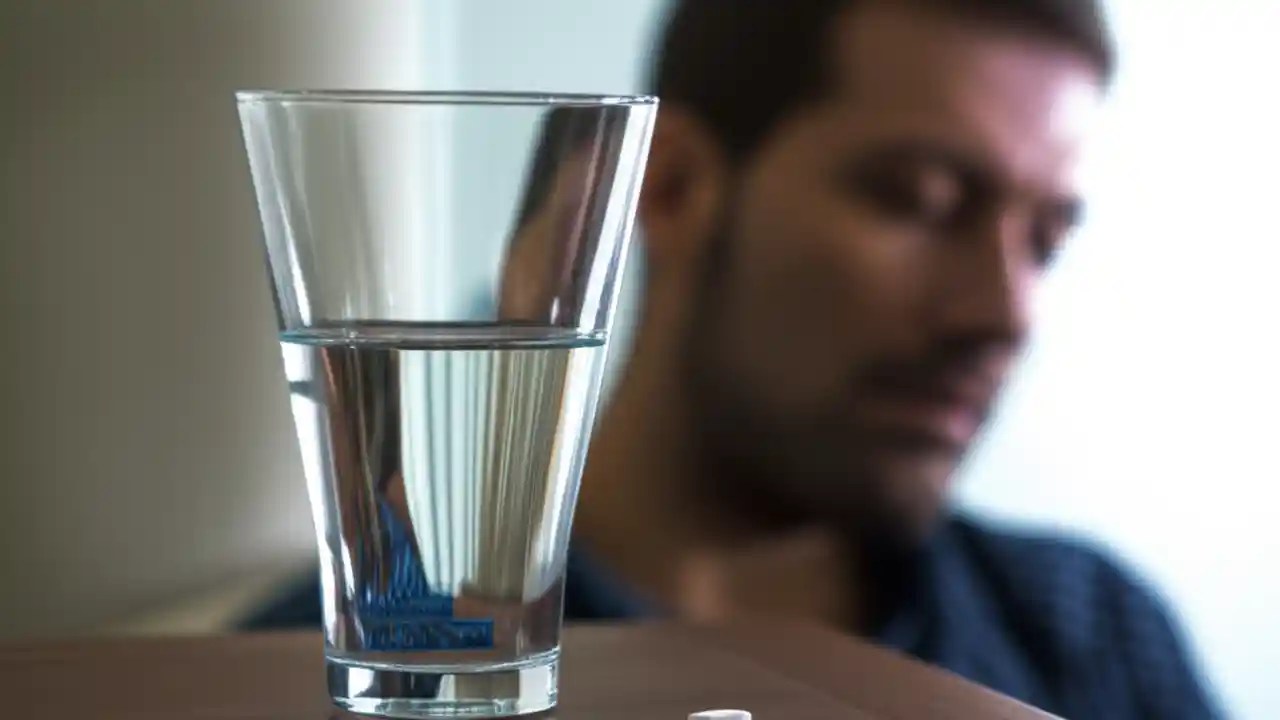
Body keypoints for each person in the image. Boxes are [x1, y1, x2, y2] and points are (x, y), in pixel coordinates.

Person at [248, 1, 1222, 716]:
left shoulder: (1090, 640)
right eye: (921, 200)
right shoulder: (316, 673)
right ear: (667, 188)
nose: (1002, 312)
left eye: (1044, 239)